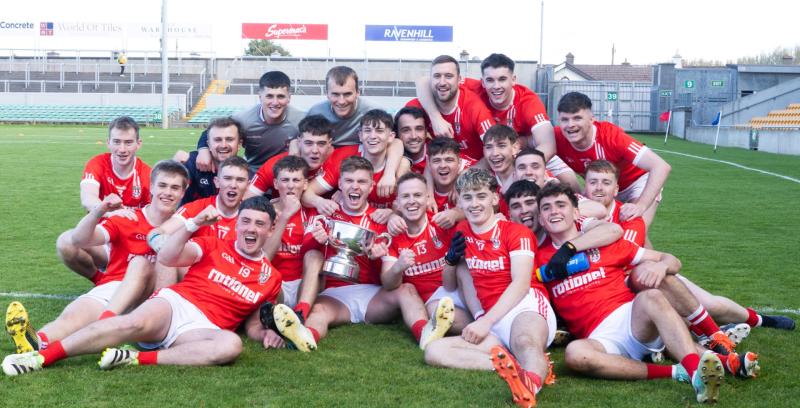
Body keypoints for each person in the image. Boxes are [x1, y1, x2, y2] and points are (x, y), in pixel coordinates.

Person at [2, 197, 284, 376]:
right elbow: (168, 256)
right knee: (129, 324)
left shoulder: (271, 278)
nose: (251, 228)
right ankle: (39, 358)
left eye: (260, 224)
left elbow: (252, 322)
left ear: (271, 230)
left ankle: (135, 358)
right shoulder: (213, 245)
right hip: (175, 306)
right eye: (245, 221)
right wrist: (191, 225)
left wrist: (268, 334)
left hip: (203, 330)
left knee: (231, 345)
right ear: (236, 225)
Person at [534, 183, 759, 404]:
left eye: (560, 205)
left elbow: (671, 260)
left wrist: (660, 267)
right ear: (541, 219)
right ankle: (694, 368)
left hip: (633, 320)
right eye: (546, 208)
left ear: (575, 212)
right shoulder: (538, 259)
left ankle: (695, 374)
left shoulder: (603, 243)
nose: (554, 211)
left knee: (651, 295)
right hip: (598, 337)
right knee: (575, 354)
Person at [583, 160, 795, 335]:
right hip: (602, 287)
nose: (599, 188)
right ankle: (703, 335)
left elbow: (621, 255)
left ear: (617, 188)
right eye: (593, 182)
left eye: (605, 182)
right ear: (585, 186)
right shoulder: (574, 211)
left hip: (637, 277)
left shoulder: (628, 214)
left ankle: (758, 319)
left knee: (711, 305)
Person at [5, 160, 189, 356]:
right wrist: (100, 209)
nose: (168, 192)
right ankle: (36, 342)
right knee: (72, 317)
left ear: (183, 192)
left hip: (154, 300)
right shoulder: (127, 218)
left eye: (175, 188)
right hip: (116, 289)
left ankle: (138, 330)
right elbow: (79, 239)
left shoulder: (186, 225)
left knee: (144, 263)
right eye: (162, 185)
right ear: (151, 187)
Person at [271, 157, 450, 352]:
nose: (355, 187)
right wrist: (317, 238)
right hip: (335, 296)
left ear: (371, 186)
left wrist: (377, 256)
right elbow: (307, 252)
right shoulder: (326, 214)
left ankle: (425, 333)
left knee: (406, 290)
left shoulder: (382, 219)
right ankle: (303, 332)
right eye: (349, 181)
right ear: (340, 184)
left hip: (373, 295)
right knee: (319, 309)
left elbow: (387, 276)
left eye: (362, 182)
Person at [423, 168, 556, 408]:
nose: (474, 204)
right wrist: (450, 261)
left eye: (481, 196)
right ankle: (514, 366)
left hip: (523, 305)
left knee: (525, 341)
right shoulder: (462, 230)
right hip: (489, 316)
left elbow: (521, 284)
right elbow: (451, 285)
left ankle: (530, 384)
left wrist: (485, 322)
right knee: (434, 352)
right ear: (460, 201)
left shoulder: (517, 232)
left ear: (495, 199)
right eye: (468, 197)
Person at [421, 53, 581, 191]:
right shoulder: (476, 88)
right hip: (494, 152)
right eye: (490, 80)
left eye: (502, 79)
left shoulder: (528, 102)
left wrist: (522, 168)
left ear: (513, 80)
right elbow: (423, 82)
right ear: (482, 82)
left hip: (527, 151)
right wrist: (435, 118)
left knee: (569, 181)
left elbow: (548, 145)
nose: (496, 86)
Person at [554, 91, 671, 231]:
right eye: (564, 119)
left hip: (637, 182)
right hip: (602, 186)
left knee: (633, 230)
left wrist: (641, 205)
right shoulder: (556, 137)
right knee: (593, 230)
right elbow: (528, 142)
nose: (570, 125)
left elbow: (661, 166)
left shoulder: (612, 137)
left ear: (591, 119)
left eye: (577, 118)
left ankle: (650, 253)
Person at [55, 116, 151, 283]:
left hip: (134, 244)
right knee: (65, 243)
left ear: (138, 144)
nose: (122, 149)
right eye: (117, 142)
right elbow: (87, 198)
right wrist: (109, 210)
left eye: (128, 142)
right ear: (108, 143)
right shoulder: (98, 163)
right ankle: (101, 282)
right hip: (103, 239)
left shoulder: (146, 174)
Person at [381, 173, 471, 336]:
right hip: (432, 301)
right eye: (405, 196)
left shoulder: (441, 222)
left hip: (461, 289)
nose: (412, 201)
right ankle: (483, 326)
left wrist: (456, 213)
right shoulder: (393, 235)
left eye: (417, 195)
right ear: (398, 203)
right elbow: (388, 284)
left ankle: (485, 319)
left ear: (427, 198)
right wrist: (398, 267)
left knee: (464, 268)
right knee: (434, 311)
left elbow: (474, 214)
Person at [302, 66, 406, 198]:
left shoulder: (373, 112)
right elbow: (303, 140)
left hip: (356, 166)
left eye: (347, 94)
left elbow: (395, 141)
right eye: (335, 94)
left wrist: (389, 173)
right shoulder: (316, 113)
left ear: (358, 92)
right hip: (328, 166)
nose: (341, 101)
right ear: (327, 93)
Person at [302, 109, 410, 215]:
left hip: (387, 226)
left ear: (391, 136)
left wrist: (393, 214)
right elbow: (306, 195)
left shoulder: (399, 165)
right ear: (360, 135)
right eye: (367, 130)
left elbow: (413, 205)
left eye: (379, 131)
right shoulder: (343, 158)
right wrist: (320, 202)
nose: (373, 136)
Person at [195, 71, 304, 173]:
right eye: (269, 96)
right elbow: (213, 131)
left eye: (280, 96)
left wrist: (297, 143)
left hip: (284, 175)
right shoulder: (243, 119)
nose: (275, 102)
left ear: (289, 98)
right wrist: (203, 149)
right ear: (260, 96)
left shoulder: (302, 120)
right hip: (252, 174)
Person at [407, 55, 495, 161]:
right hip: (439, 167)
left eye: (448, 76)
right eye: (437, 76)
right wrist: (436, 119)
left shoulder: (474, 107)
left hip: (472, 169)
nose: (442, 82)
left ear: (459, 80)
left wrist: (469, 172)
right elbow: (394, 141)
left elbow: (495, 149)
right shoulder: (417, 106)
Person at [263, 155, 318, 308]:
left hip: (306, 286)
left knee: (315, 256)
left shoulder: (313, 212)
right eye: (285, 180)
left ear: (305, 184)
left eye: (296, 180)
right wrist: (285, 216)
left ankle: (302, 311)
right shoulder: (264, 211)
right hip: (276, 285)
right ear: (275, 183)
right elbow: (264, 257)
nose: (290, 186)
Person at [245, 114, 334, 200]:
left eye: (321, 144)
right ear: (299, 141)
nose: (315, 150)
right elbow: (246, 201)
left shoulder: (337, 162)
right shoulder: (274, 166)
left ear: (329, 143)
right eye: (308, 143)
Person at [174, 117, 243, 205]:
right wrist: (173, 166)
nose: (223, 145)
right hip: (190, 218)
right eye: (217, 140)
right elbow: (165, 189)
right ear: (208, 144)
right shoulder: (192, 163)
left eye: (229, 139)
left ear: (239, 144)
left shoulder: (244, 171)